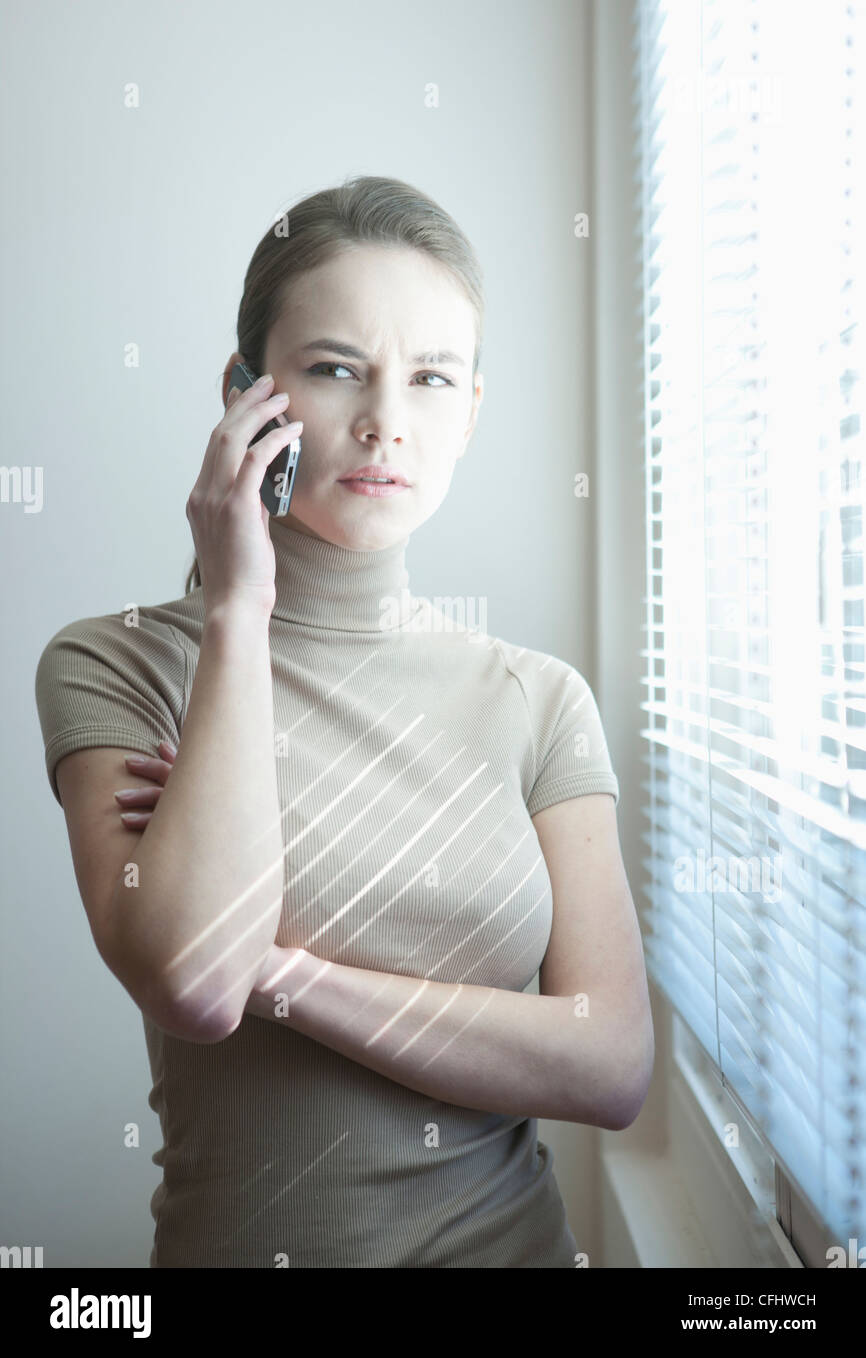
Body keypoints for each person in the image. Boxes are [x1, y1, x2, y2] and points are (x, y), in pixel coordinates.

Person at [34, 174, 654, 1268]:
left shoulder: (538, 698)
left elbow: (605, 1065)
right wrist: (235, 611)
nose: (383, 421)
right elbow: (191, 981)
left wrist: (286, 973)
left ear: (468, 410)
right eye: (334, 370)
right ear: (245, 393)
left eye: (429, 377)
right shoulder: (119, 662)